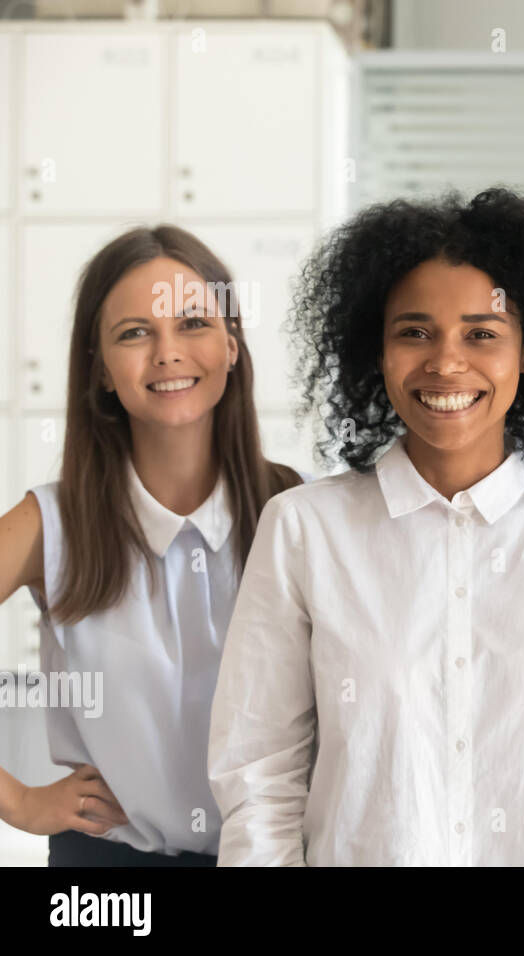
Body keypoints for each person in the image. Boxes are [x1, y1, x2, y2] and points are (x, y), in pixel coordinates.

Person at [208, 188, 524, 866]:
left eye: (482, 333)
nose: (446, 363)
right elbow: (260, 774)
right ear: (377, 350)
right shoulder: (305, 530)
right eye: (413, 332)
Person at [0, 225, 302, 866]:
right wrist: (19, 802)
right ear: (102, 370)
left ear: (231, 346)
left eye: (192, 323)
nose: (167, 353)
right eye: (134, 333)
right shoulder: (49, 523)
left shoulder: (294, 510)